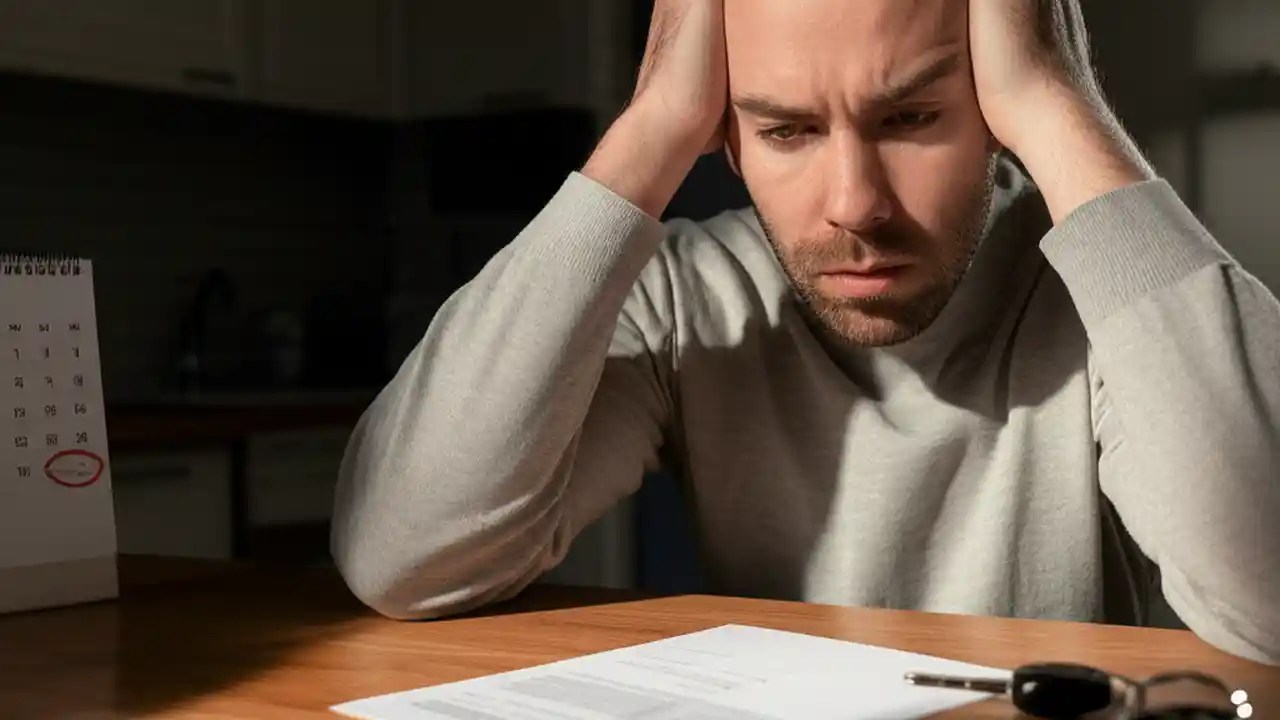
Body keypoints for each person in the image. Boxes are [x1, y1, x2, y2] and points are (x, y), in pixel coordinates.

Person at [331, 0, 1280, 665]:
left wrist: (1058, 104)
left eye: (911, 117)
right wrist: (650, 128)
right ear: (727, 138)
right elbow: (405, 558)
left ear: (995, 114)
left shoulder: (1115, 297)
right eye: (785, 131)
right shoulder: (690, 295)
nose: (854, 205)